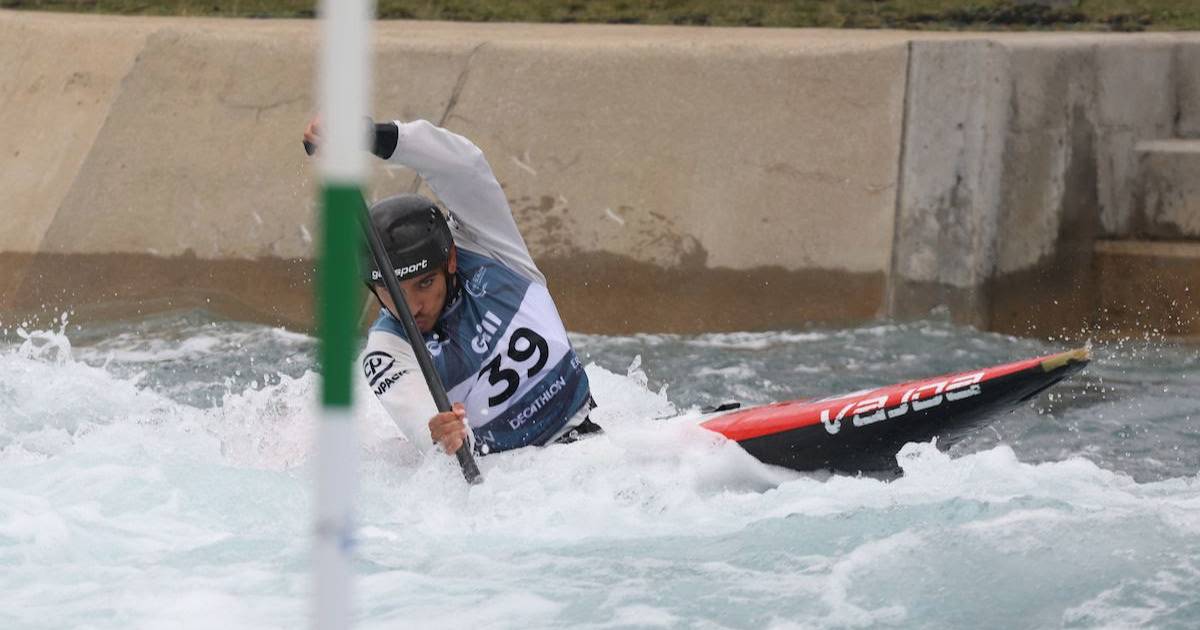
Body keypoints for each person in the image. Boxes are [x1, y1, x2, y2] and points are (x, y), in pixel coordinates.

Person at [304, 117, 600, 457]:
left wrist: (373, 136)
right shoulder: (386, 350)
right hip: (516, 476)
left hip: (586, 435)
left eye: (424, 283)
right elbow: (420, 421)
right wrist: (438, 433)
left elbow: (463, 168)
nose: (412, 306)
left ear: (452, 261)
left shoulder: (489, 245)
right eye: (392, 291)